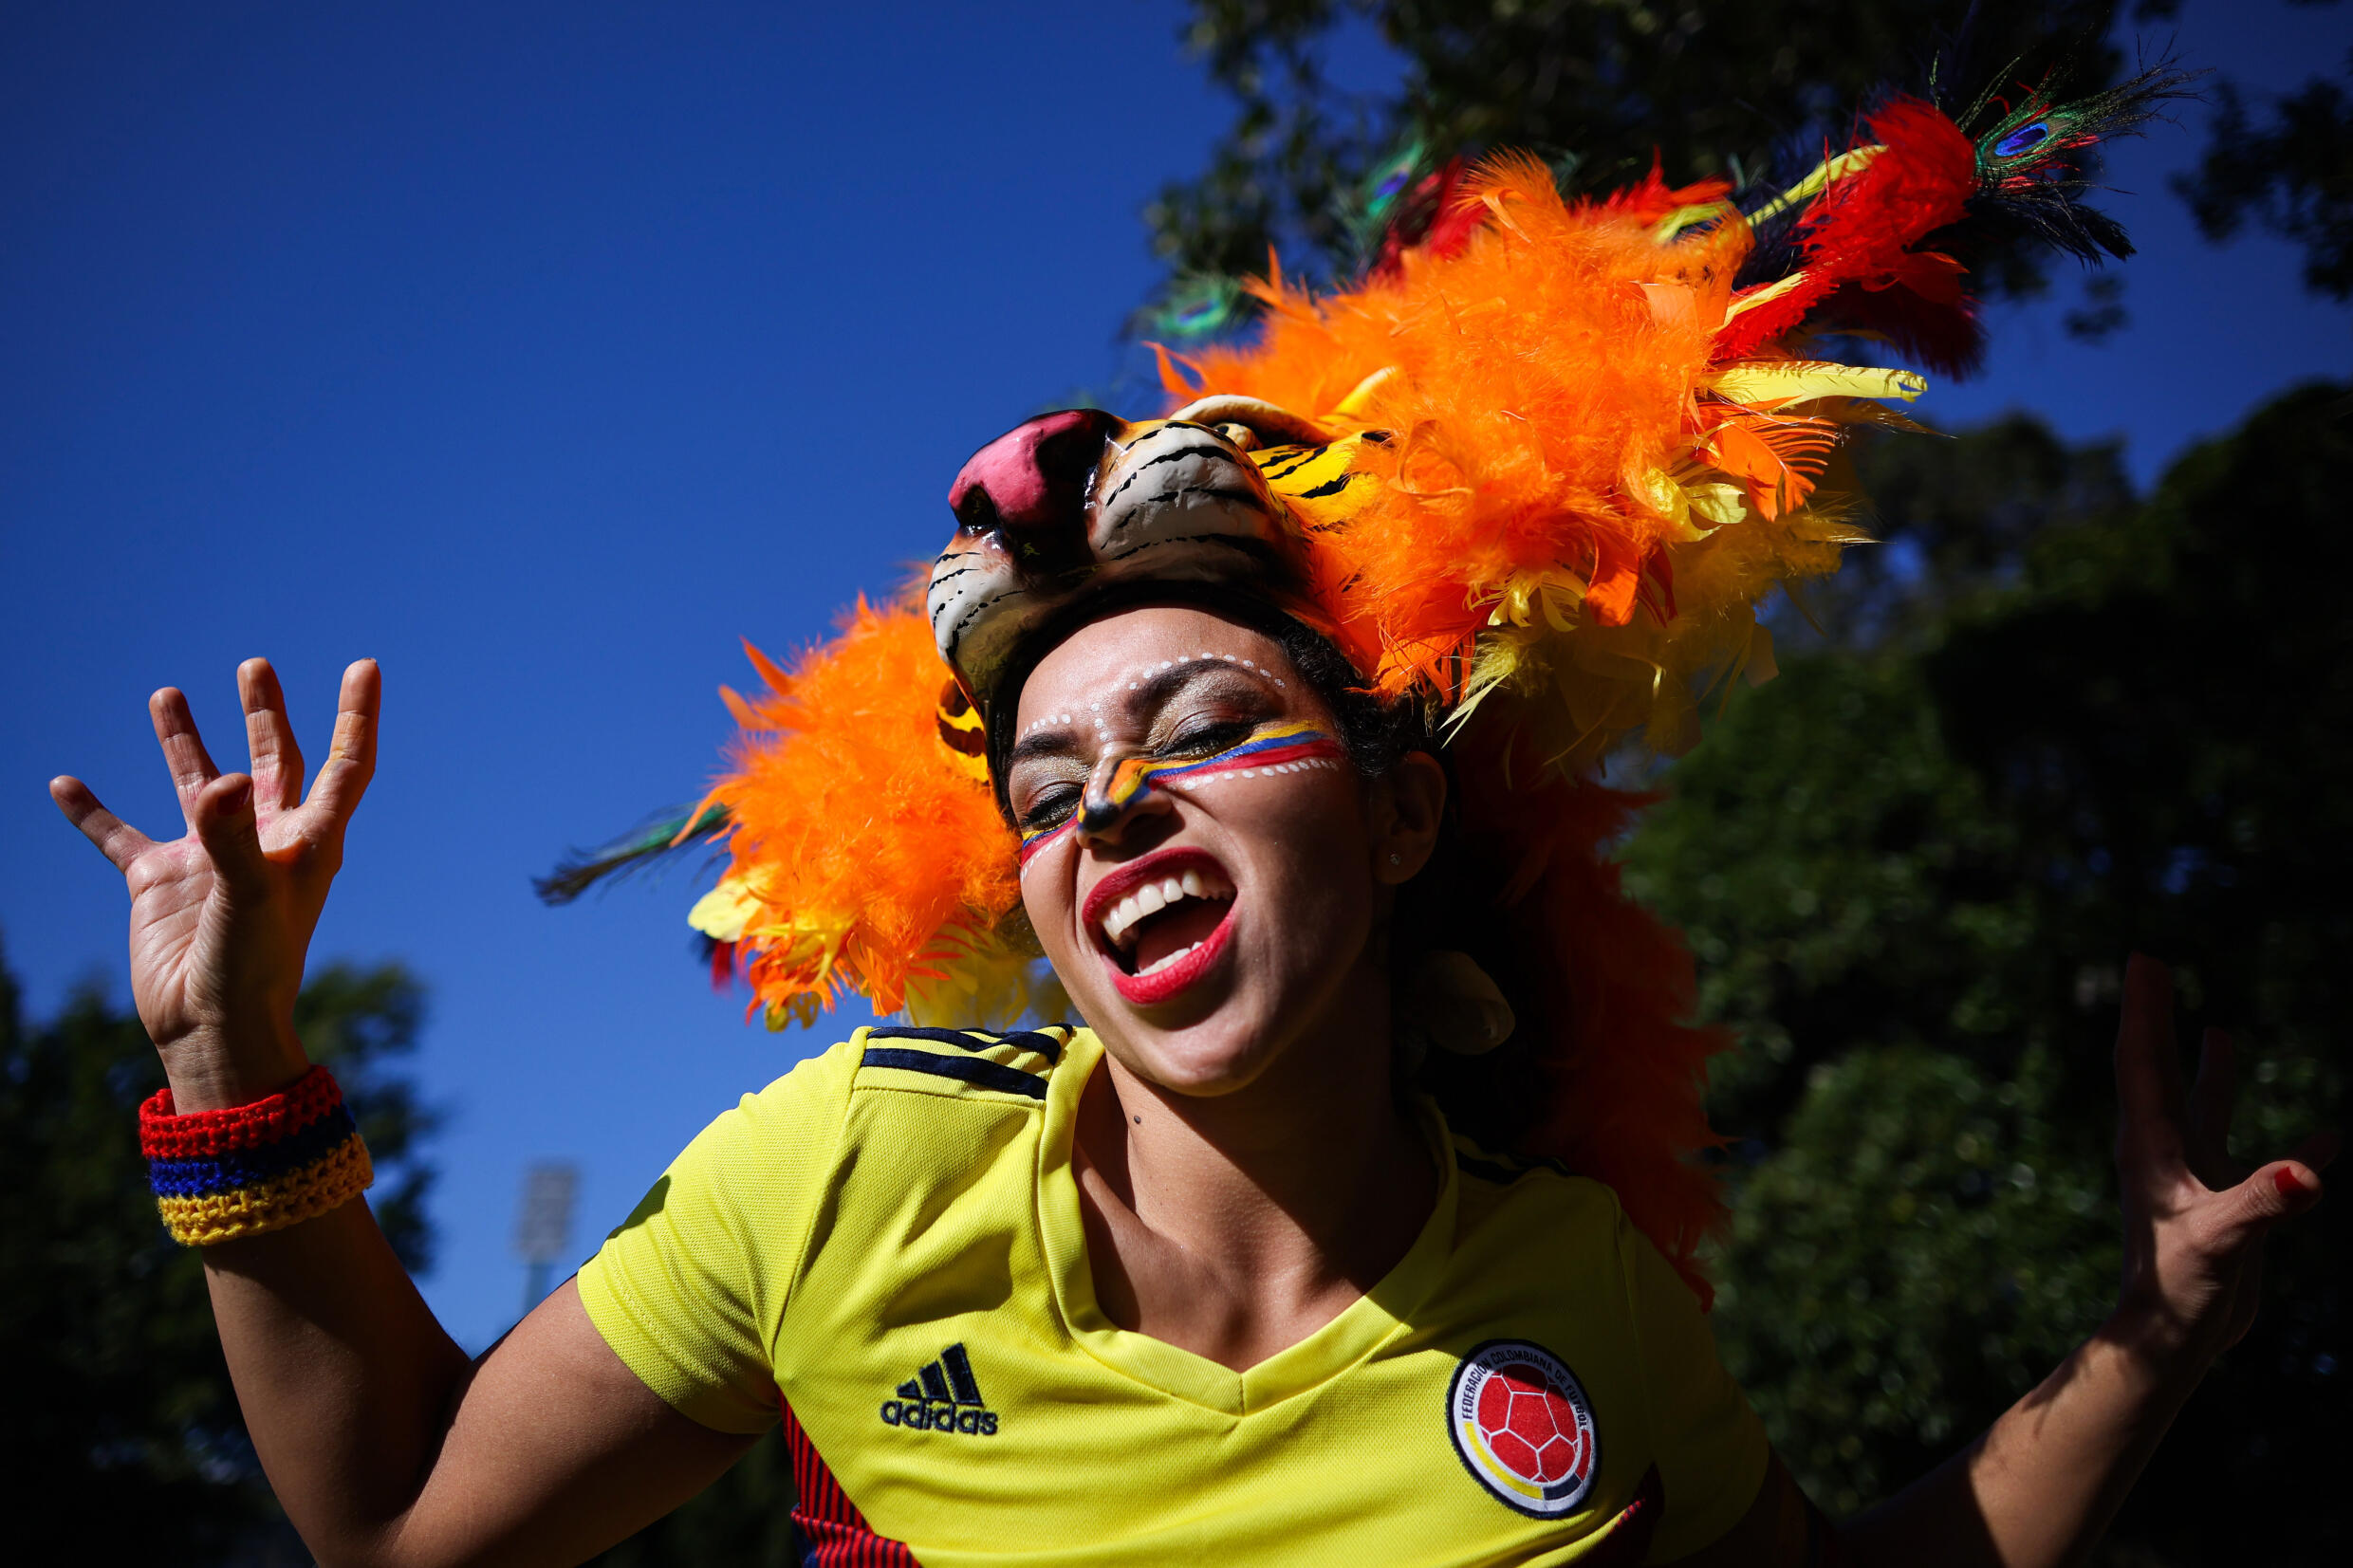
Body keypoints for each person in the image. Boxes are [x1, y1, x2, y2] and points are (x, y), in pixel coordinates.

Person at [53, 74, 2333, 1568]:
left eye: (1204, 725)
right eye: (1048, 791)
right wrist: (227, 1050)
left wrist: (2151, 1330)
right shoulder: (841, 1170)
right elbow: (392, 1532)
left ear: (1400, 812)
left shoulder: (1579, 1296)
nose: (1113, 804)